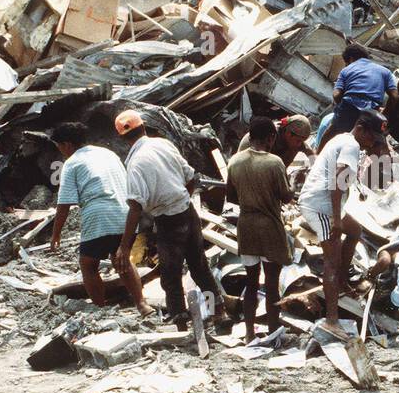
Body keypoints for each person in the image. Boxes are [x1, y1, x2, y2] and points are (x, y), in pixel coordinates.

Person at [113, 109, 225, 327]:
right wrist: (183, 197)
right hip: (187, 211)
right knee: (199, 266)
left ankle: (180, 319)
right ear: (143, 127)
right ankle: (218, 312)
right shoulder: (163, 144)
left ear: (122, 138)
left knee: (171, 274)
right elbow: (193, 177)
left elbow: (135, 207)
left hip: (167, 219)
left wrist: (124, 247)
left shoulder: (135, 164)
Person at [297, 110, 387, 325]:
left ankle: (342, 280)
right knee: (332, 260)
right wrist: (336, 220)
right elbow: (338, 181)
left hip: (326, 202)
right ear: (360, 129)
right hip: (321, 206)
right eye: (371, 136)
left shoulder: (343, 139)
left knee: (355, 231)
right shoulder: (351, 145)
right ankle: (332, 319)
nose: (372, 142)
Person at [48, 122, 150, 314]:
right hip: (125, 213)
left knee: (88, 265)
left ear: (67, 144)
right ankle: (142, 304)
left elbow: (64, 205)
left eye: (59, 147)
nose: (61, 152)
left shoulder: (72, 163)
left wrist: (56, 235)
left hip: (99, 217)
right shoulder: (107, 153)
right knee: (122, 260)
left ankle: (100, 309)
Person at [227, 116, 294, 341]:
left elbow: (231, 196)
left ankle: (248, 334)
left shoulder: (234, 161)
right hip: (269, 227)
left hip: (246, 227)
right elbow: (286, 197)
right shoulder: (275, 162)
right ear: (270, 138)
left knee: (251, 282)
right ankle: (273, 332)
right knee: (272, 284)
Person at [320, 45, 395, 147]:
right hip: (372, 112)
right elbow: (395, 97)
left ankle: (316, 156)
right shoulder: (385, 71)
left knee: (332, 132)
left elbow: (336, 95)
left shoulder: (346, 70)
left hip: (349, 106)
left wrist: (341, 108)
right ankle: (379, 160)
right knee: (375, 143)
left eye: (346, 63)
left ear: (350, 59)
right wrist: (384, 112)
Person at [237, 114, 313, 175]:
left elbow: (309, 152)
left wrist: (315, 167)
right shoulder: (266, 138)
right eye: (298, 141)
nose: (300, 144)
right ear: (288, 134)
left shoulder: (294, 139)